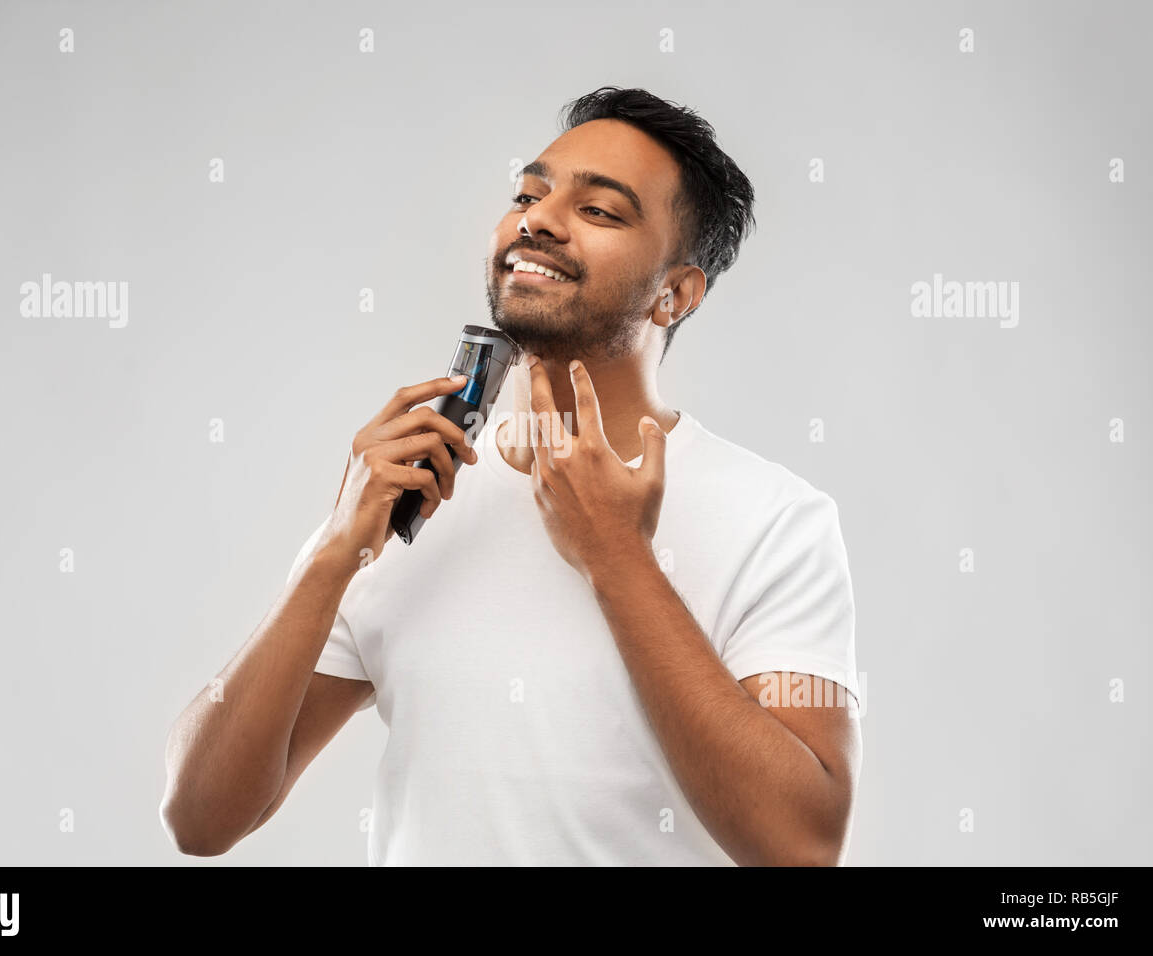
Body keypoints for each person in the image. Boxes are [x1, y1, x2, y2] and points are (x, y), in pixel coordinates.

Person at [160, 87, 862, 865]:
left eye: (599, 211)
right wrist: (334, 552)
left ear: (675, 293)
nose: (539, 219)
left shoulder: (776, 519)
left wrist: (618, 558)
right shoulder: (407, 498)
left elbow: (802, 845)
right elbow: (201, 819)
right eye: (528, 194)